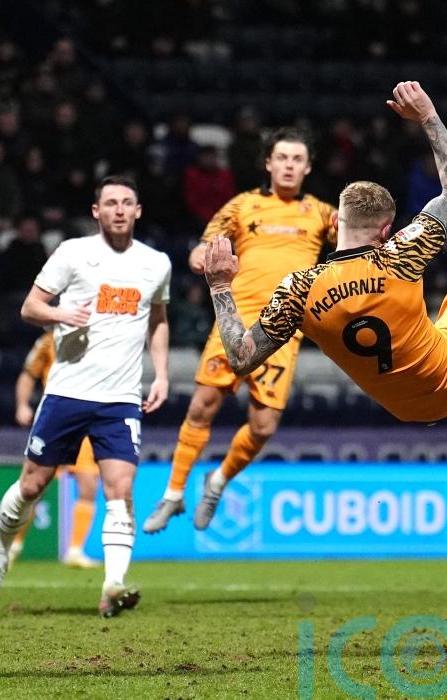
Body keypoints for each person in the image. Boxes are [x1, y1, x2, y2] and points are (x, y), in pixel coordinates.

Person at [203, 83, 447, 461]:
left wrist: (220, 285)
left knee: (433, 356)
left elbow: (241, 357)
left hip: (405, 407)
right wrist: (427, 116)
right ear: (387, 230)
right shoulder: (401, 254)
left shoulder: (298, 289)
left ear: (337, 222)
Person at [0, 176, 171, 618]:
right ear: (96, 211)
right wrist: (61, 313)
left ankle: (113, 584)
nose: (119, 209)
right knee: (31, 486)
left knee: (121, 489)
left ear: (138, 210)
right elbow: (30, 307)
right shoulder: (72, 253)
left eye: (127, 202)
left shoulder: (156, 263)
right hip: (67, 393)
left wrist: (161, 374)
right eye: (110, 203)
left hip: (120, 398)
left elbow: (158, 319)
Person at [143, 129, 337, 534]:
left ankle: (217, 481)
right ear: (268, 163)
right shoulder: (242, 205)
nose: (288, 165)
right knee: (202, 407)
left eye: (297, 159)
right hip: (234, 322)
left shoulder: (322, 214)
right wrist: (199, 256)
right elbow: (205, 244)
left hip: (282, 330)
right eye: (281, 158)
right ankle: (174, 494)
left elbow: (354, 244)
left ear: (307, 168)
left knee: (264, 427)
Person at [8, 330, 101, 570]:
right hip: (55, 421)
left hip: (87, 421)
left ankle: (75, 550)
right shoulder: (48, 341)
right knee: (33, 487)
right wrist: (22, 405)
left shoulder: (99, 335)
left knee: (89, 484)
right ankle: (13, 544)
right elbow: (28, 374)